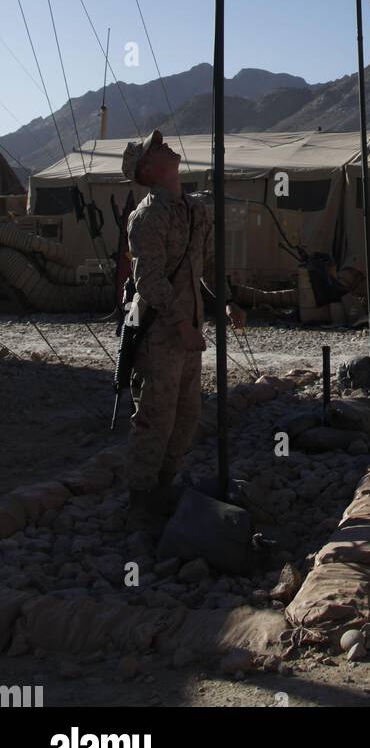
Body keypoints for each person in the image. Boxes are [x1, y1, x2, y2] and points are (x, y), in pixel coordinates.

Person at [120, 130, 246, 532]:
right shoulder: (146, 217)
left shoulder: (194, 211)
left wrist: (225, 300)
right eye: (156, 147)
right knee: (156, 415)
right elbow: (149, 280)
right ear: (148, 169)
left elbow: (207, 264)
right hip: (161, 332)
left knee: (187, 416)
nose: (166, 145)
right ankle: (140, 502)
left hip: (189, 330)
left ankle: (163, 486)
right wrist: (181, 324)